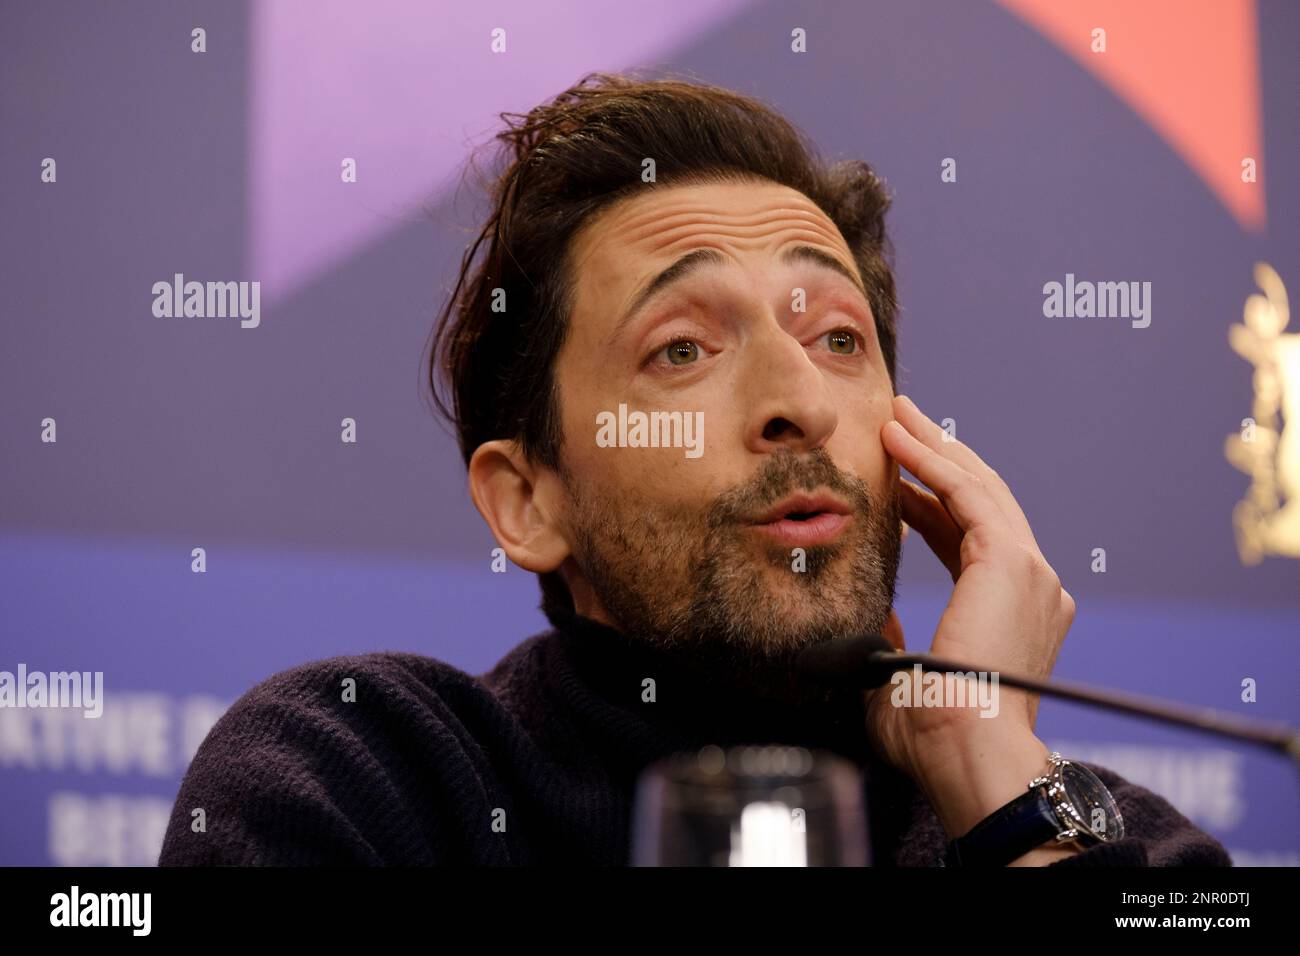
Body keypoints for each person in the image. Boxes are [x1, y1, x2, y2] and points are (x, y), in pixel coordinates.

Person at [159, 72, 1230, 867]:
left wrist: (988, 763)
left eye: (837, 340)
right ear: (527, 500)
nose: (798, 402)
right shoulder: (364, 775)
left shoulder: (1122, 846)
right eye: (682, 349)